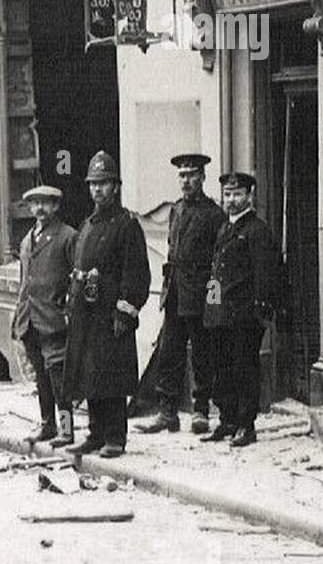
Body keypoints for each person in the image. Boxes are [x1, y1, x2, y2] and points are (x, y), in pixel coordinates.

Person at [62, 151, 151, 458]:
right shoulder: (87, 225)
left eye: (103, 183)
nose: (97, 189)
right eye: (93, 184)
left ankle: (115, 436)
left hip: (111, 316)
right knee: (91, 375)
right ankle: (95, 433)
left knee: (112, 377)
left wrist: (124, 312)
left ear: (116, 186)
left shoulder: (127, 225)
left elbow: (137, 274)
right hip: (86, 315)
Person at [138, 153, 226, 435]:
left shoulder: (214, 214)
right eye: (182, 176)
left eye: (191, 175)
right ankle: (168, 413)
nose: (186, 181)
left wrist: (214, 301)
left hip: (199, 294)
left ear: (202, 177)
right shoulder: (175, 210)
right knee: (169, 353)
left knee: (201, 354)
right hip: (174, 292)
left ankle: (200, 411)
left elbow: (219, 261)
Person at [203, 171, 283, 448]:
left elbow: (265, 274)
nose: (231, 200)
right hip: (221, 315)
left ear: (250, 196)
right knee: (221, 368)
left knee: (244, 369)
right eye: (227, 194)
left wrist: (262, 311)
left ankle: (246, 426)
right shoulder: (224, 229)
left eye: (237, 194)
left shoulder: (257, 231)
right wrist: (211, 309)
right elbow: (215, 272)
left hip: (245, 315)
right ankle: (227, 420)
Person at [12, 185, 76, 442]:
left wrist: (67, 308)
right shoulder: (27, 240)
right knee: (42, 378)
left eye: (45, 203)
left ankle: (67, 430)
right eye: (35, 203)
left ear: (56, 206)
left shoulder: (67, 236)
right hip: (30, 320)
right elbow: (24, 282)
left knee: (59, 379)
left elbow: (77, 278)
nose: (40, 208)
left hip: (53, 320)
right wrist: (18, 317)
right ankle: (48, 424)